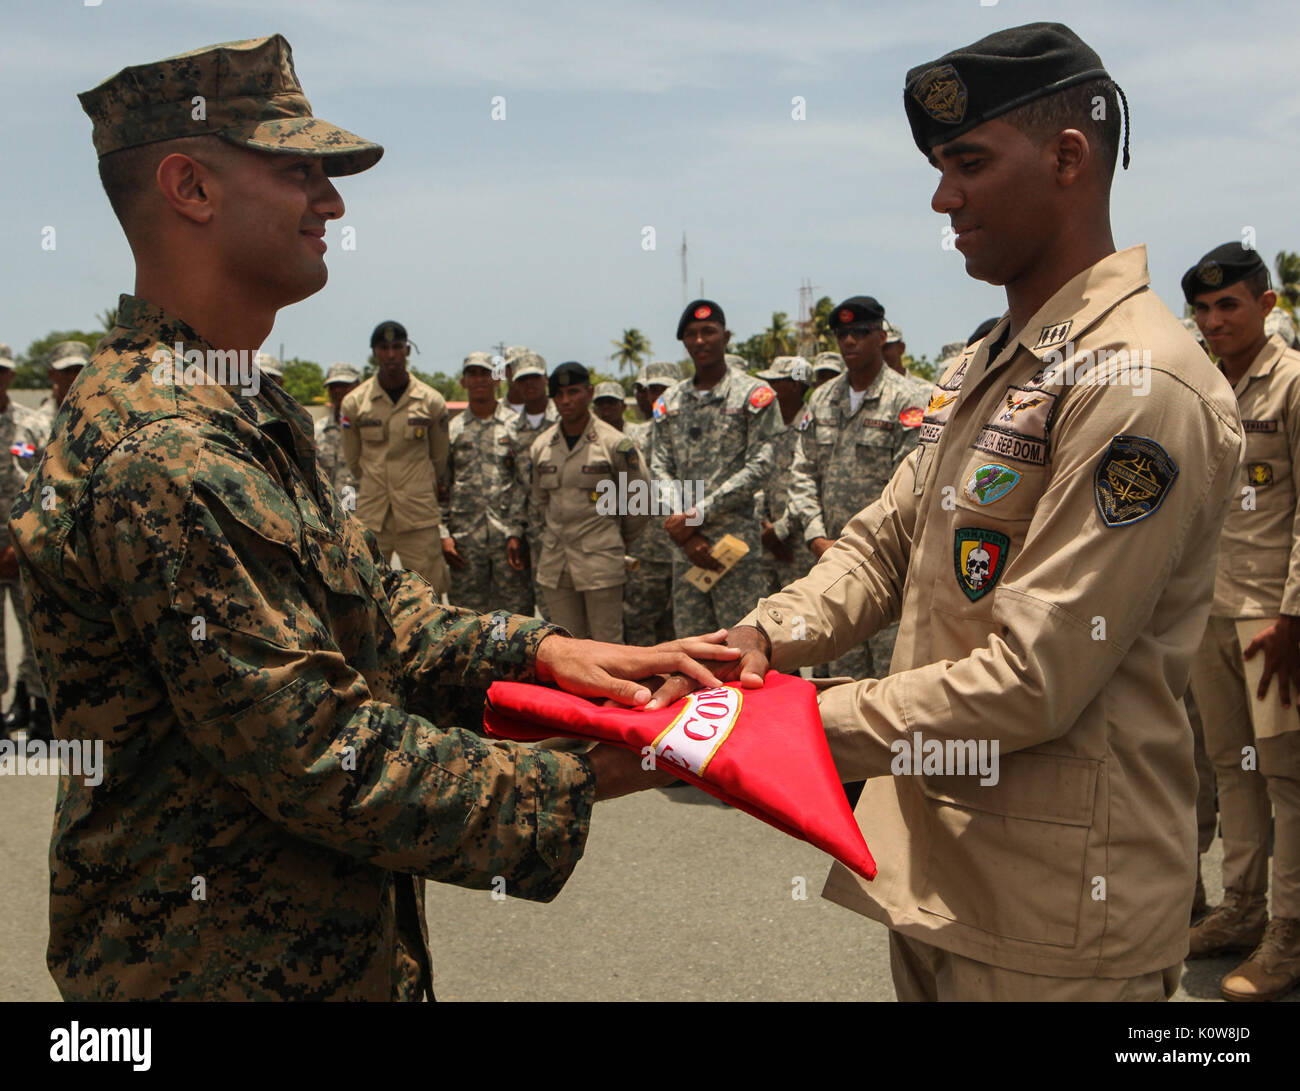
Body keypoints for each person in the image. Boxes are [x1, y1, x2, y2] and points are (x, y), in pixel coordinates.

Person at [11, 34, 736, 1001]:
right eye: (299, 170)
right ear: (190, 187)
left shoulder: (235, 405)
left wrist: (537, 653)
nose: (334, 202)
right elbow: (322, 754)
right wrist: (609, 763)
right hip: (214, 971)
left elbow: (374, 601)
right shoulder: (167, 450)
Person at [650, 21, 1242, 1002]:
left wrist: (780, 722)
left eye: (968, 162)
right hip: (937, 874)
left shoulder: (1139, 385)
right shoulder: (990, 366)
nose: (941, 196)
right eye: (936, 166)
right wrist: (758, 636)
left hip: (1056, 919)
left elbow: (1030, 680)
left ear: (1065, 158)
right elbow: (886, 545)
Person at [1183, 242, 1300, 1002]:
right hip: (1209, 612)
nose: (1214, 319)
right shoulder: (1202, 385)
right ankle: (1243, 908)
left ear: (1265, 304)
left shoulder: (1291, 382)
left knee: (1288, 778)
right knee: (1234, 771)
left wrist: (1295, 614)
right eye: (1202, 307)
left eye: (1229, 304)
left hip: (1271, 618)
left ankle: (1289, 934)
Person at [783, 296, 923, 679]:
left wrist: (860, 545)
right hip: (829, 563)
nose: (849, 341)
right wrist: (816, 538)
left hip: (887, 568)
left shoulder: (908, 400)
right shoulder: (823, 398)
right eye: (842, 333)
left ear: (881, 336)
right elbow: (802, 473)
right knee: (836, 682)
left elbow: (910, 484)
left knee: (889, 682)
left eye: (860, 332)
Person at [651, 300, 783, 636]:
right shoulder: (670, 402)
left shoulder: (754, 394)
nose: (700, 341)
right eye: (691, 334)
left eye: (708, 332)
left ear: (725, 336)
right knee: (692, 650)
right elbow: (659, 468)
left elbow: (761, 465)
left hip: (735, 549)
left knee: (742, 648)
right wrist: (686, 532)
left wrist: (696, 516)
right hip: (686, 551)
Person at [514, 363, 648, 641]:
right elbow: (539, 501)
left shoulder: (615, 443)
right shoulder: (542, 446)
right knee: (566, 644)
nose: (565, 401)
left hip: (600, 562)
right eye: (559, 394)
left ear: (589, 392)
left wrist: (614, 538)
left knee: (607, 643)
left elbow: (638, 501)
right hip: (556, 564)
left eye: (573, 392)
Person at [341, 319, 451, 595]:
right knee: (367, 591)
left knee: (428, 592)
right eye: (384, 347)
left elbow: (439, 458)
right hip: (373, 514)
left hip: (418, 513)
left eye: (397, 347)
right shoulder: (355, 403)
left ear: (407, 351)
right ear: (374, 352)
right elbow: (353, 460)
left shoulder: (431, 401)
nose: (391, 354)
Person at [443, 351, 533, 616]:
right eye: (473, 374)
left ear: (497, 380)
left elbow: (524, 483)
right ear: (463, 382)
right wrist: (443, 534)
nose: (479, 380)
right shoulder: (453, 429)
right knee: (467, 616)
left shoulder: (515, 426)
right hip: (464, 540)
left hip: (509, 538)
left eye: (486, 373)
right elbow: (441, 484)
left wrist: (517, 530)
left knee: (515, 615)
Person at [0, 342, 50, 740]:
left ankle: (37, 711)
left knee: (36, 634)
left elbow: (40, 480)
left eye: (1, 371)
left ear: (11, 375)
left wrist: (21, 542)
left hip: (19, 551)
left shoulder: (25, 426)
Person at [623, 362, 681, 645]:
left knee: (684, 626)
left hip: (689, 547)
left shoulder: (694, 435)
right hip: (645, 550)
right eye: (654, 390)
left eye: (666, 390)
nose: (660, 397)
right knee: (639, 623)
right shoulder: (633, 438)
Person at [751, 356, 813, 595]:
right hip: (763, 541)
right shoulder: (763, 426)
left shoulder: (814, 426)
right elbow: (755, 479)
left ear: (796, 385)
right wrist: (763, 527)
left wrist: (781, 530)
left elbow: (811, 483)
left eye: (776, 382)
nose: (769, 389)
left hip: (801, 543)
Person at [505, 350, 557, 613]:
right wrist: (515, 531)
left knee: (563, 605)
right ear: (515, 384)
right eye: (523, 380)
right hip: (532, 530)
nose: (530, 384)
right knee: (534, 606)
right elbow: (517, 484)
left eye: (535, 377)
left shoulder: (564, 418)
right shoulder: (512, 428)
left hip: (565, 528)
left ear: (546, 378)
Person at [315, 362, 360, 500]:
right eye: (333, 387)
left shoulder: (371, 430)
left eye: (345, 386)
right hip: (328, 513)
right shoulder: (318, 431)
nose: (338, 391)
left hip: (364, 514)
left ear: (359, 387)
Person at [47, 340, 89, 413]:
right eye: (66, 370)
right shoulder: (37, 422)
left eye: (78, 370)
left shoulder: (107, 418)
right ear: (52, 374)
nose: (72, 377)